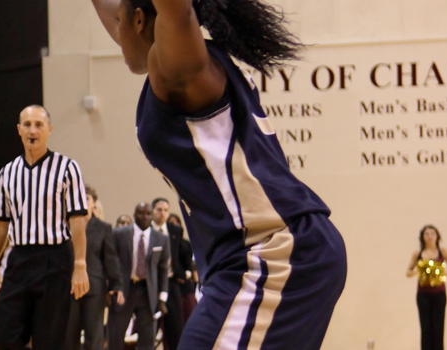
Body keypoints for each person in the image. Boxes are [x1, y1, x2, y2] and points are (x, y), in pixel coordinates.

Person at [89, 0, 348, 348]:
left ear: (139, 20)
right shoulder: (181, 60)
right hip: (268, 253)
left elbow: (175, 11)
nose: (115, 31)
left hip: (271, 251)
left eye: (121, 20)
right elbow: (135, 20)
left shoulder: (181, 71)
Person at [0, 105, 90, 350]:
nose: (33, 130)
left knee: (49, 341)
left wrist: (80, 265)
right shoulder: (7, 173)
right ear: (19, 131)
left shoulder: (67, 168)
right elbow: (0, 227)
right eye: (28, 124)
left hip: (55, 259)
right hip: (19, 259)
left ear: (49, 130)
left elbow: (77, 222)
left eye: (39, 124)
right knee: (4, 338)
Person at [66, 185, 124, 350]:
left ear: (94, 203)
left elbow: (111, 259)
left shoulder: (103, 228)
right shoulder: (64, 225)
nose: (83, 201)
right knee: (69, 335)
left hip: (95, 288)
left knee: (94, 335)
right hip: (68, 287)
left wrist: (116, 285)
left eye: (87, 198)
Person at [107, 202, 169, 350]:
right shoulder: (119, 234)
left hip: (147, 292)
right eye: (141, 213)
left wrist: (162, 298)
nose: (145, 217)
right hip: (124, 290)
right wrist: (110, 288)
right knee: (115, 336)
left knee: (147, 339)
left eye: (148, 213)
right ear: (135, 214)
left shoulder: (161, 238)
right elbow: (110, 263)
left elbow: (163, 270)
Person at [406, 225, 447, 350]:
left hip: (439, 294)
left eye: (432, 234)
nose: (430, 236)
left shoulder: (443, 252)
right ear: (422, 237)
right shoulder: (418, 253)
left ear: (437, 236)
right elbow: (408, 272)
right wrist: (419, 272)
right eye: (426, 234)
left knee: (438, 327)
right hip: (423, 294)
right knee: (425, 328)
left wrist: (441, 273)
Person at [150, 198, 188, 350]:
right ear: (153, 211)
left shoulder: (175, 230)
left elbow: (181, 253)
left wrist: (183, 274)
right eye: (159, 210)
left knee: (176, 326)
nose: (162, 213)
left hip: (171, 283)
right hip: (152, 284)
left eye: (165, 210)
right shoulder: (147, 229)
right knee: (151, 327)